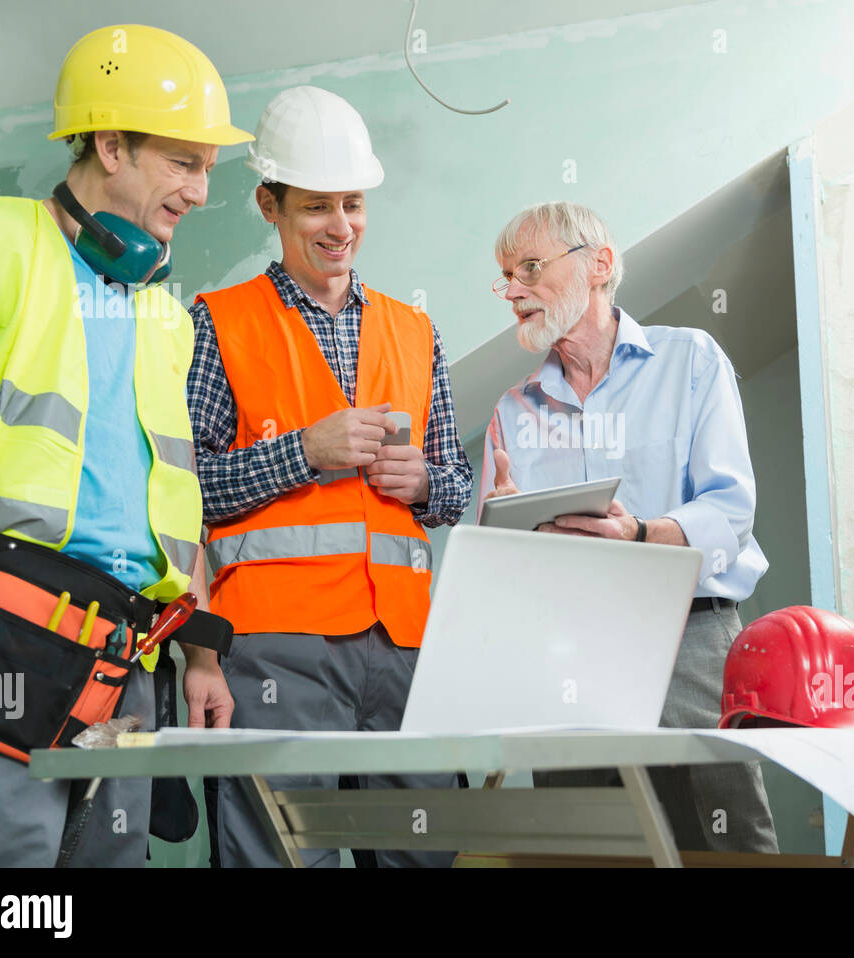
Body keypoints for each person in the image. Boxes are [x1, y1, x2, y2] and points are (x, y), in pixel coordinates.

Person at [0, 24, 244, 866]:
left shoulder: (164, 315)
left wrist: (199, 653)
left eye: (209, 165)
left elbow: (170, 496)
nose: (202, 190)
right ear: (109, 144)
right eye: (183, 161)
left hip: (126, 670)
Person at [190, 86, 473, 868]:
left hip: (406, 648)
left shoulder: (416, 330)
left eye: (352, 203)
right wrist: (301, 453)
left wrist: (424, 483)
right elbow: (185, 492)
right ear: (269, 206)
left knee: (424, 856)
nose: (340, 227)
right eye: (316, 207)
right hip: (276, 653)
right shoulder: (218, 322)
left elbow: (455, 488)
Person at [479, 201, 779, 854]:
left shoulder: (691, 360)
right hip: (573, 651)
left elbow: (730, 513)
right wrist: (497, 539)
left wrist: (640, 533)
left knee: (723, 836)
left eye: (530, 267)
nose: (513, 290)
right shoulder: (511, 411)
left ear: (599, 266)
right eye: (505, 275)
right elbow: (496, 575)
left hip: (690, 633)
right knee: (590, 843)